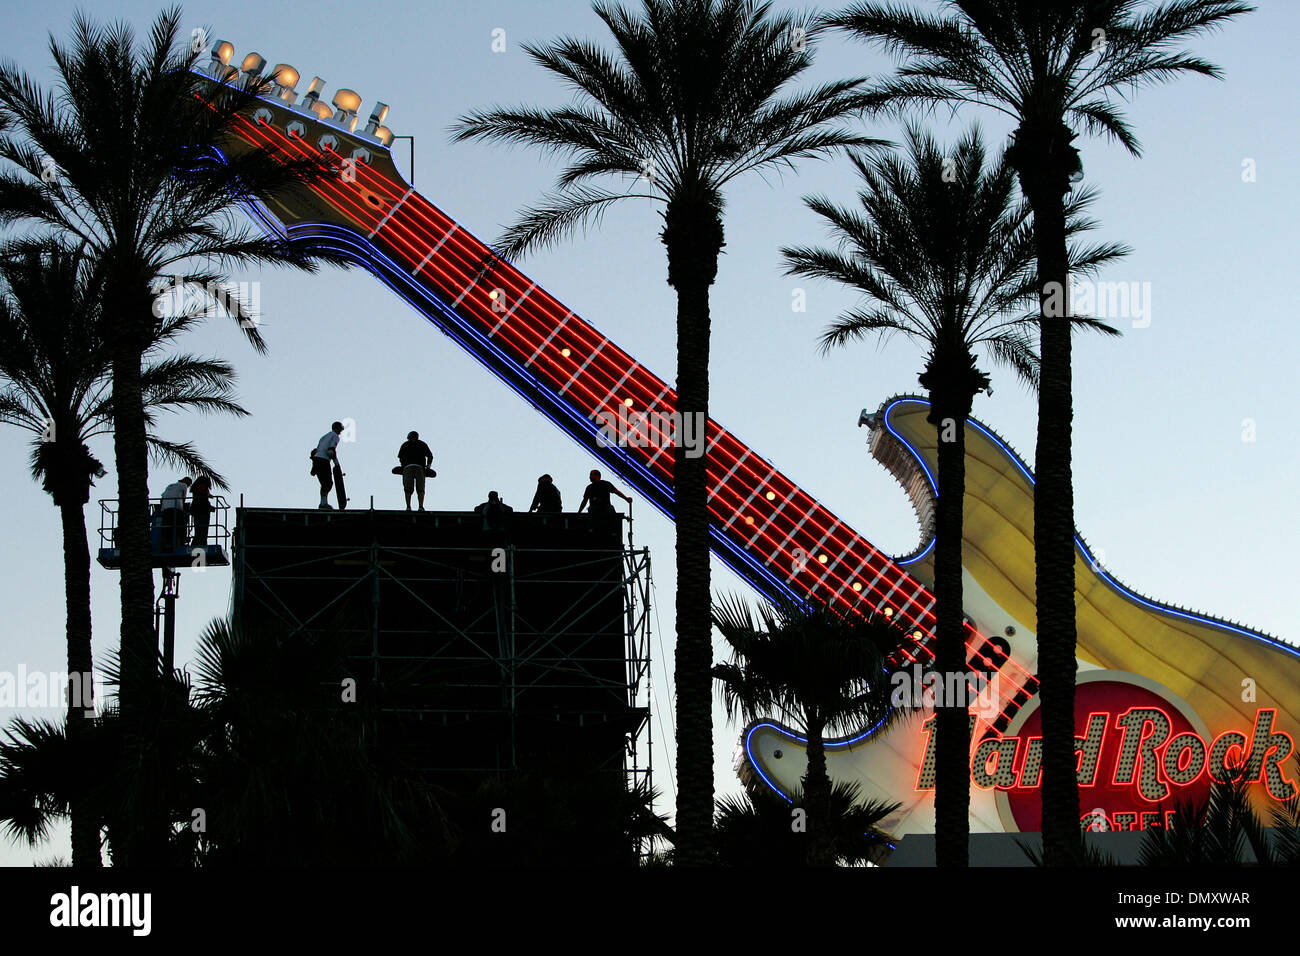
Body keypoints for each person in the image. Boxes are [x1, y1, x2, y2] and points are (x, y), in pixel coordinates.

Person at [397, 430, 435, 511]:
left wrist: (402, 466)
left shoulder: (406, 444)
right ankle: (416, 507)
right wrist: (428, 467)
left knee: (410, 488)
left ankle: (410, 507)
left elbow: (400, 457)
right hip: (416, 468)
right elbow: (430, 456)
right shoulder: (421, 444)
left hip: (411, 467)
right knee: (418, 488)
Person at [311, 421, 344, 510]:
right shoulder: (335, 436)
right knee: (328, 483)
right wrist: (336, 463)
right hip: (323, 461)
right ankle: (323, 504)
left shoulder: (324, 437)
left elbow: (316, 451)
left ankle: (323, 503)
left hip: (316, 460)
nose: (340, 432)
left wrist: (313, 467)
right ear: (337, 429)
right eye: (340, 430)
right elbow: (330, 451)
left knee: (324, 483)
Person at [159, 476, 191, 550]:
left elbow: (162, 497)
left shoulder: (170, 486)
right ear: (187, 482)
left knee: (167, 527)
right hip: (176, 508)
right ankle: (180, 541)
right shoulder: (184, 485)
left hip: (165, 508)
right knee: (180, 526)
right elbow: (183, 499)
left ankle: (167, 543)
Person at [189, 475, 213, 548]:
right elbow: (203, 500)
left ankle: (197, 543)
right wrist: (210, 507)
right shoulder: (202, 487)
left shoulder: (196, 487)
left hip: (196, 510)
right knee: (203, 529)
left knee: (198, 529)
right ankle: (201, 543)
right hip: (202, 511)